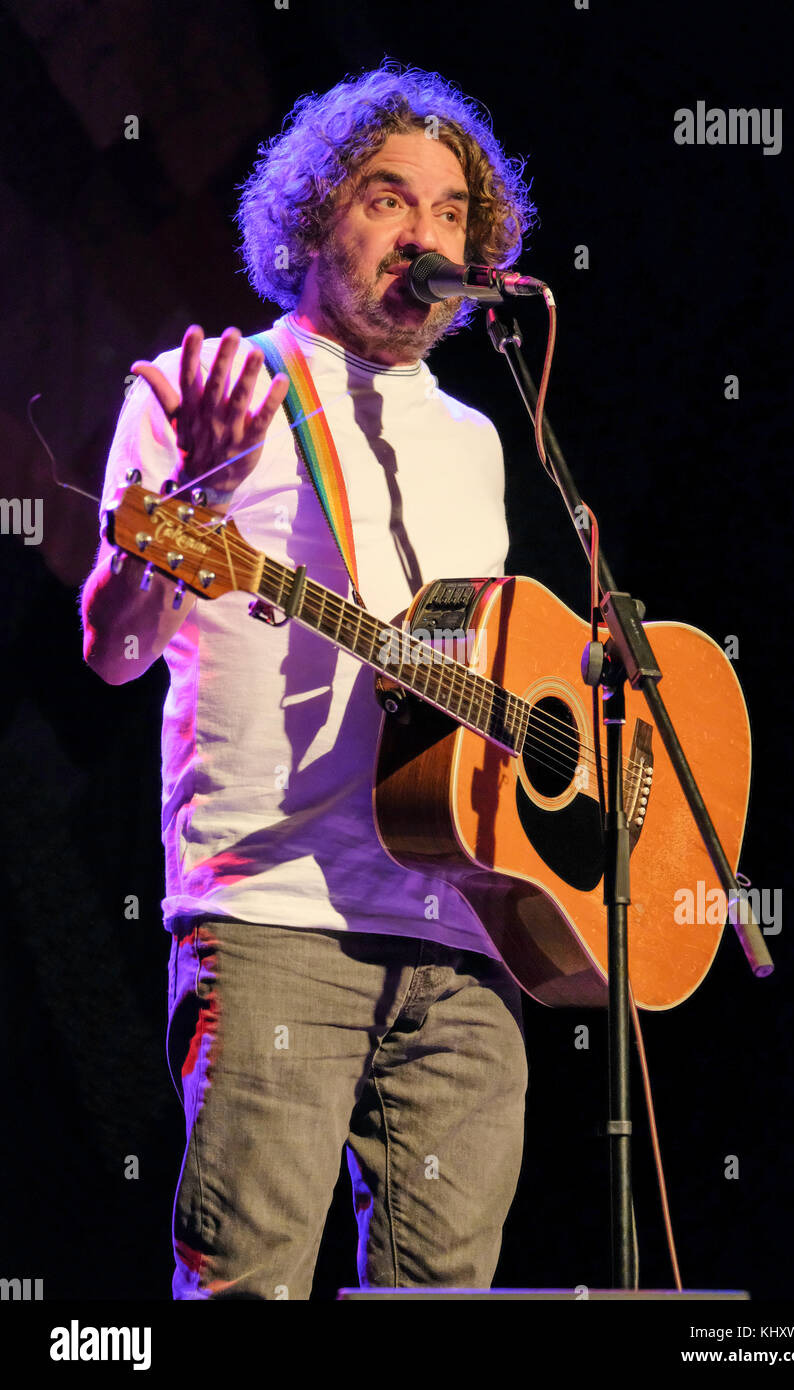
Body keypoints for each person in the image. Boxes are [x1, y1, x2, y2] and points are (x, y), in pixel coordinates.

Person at [80, 63, 537, 1300]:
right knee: (253, 1288)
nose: (426, 235)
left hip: (461, 932)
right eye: (389, 199)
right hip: (275, 913)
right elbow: (114, 650)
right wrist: (200, 496)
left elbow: (480, 676)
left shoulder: (477, 439)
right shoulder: (204, 388)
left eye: (452, 213)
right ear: (313, 216)